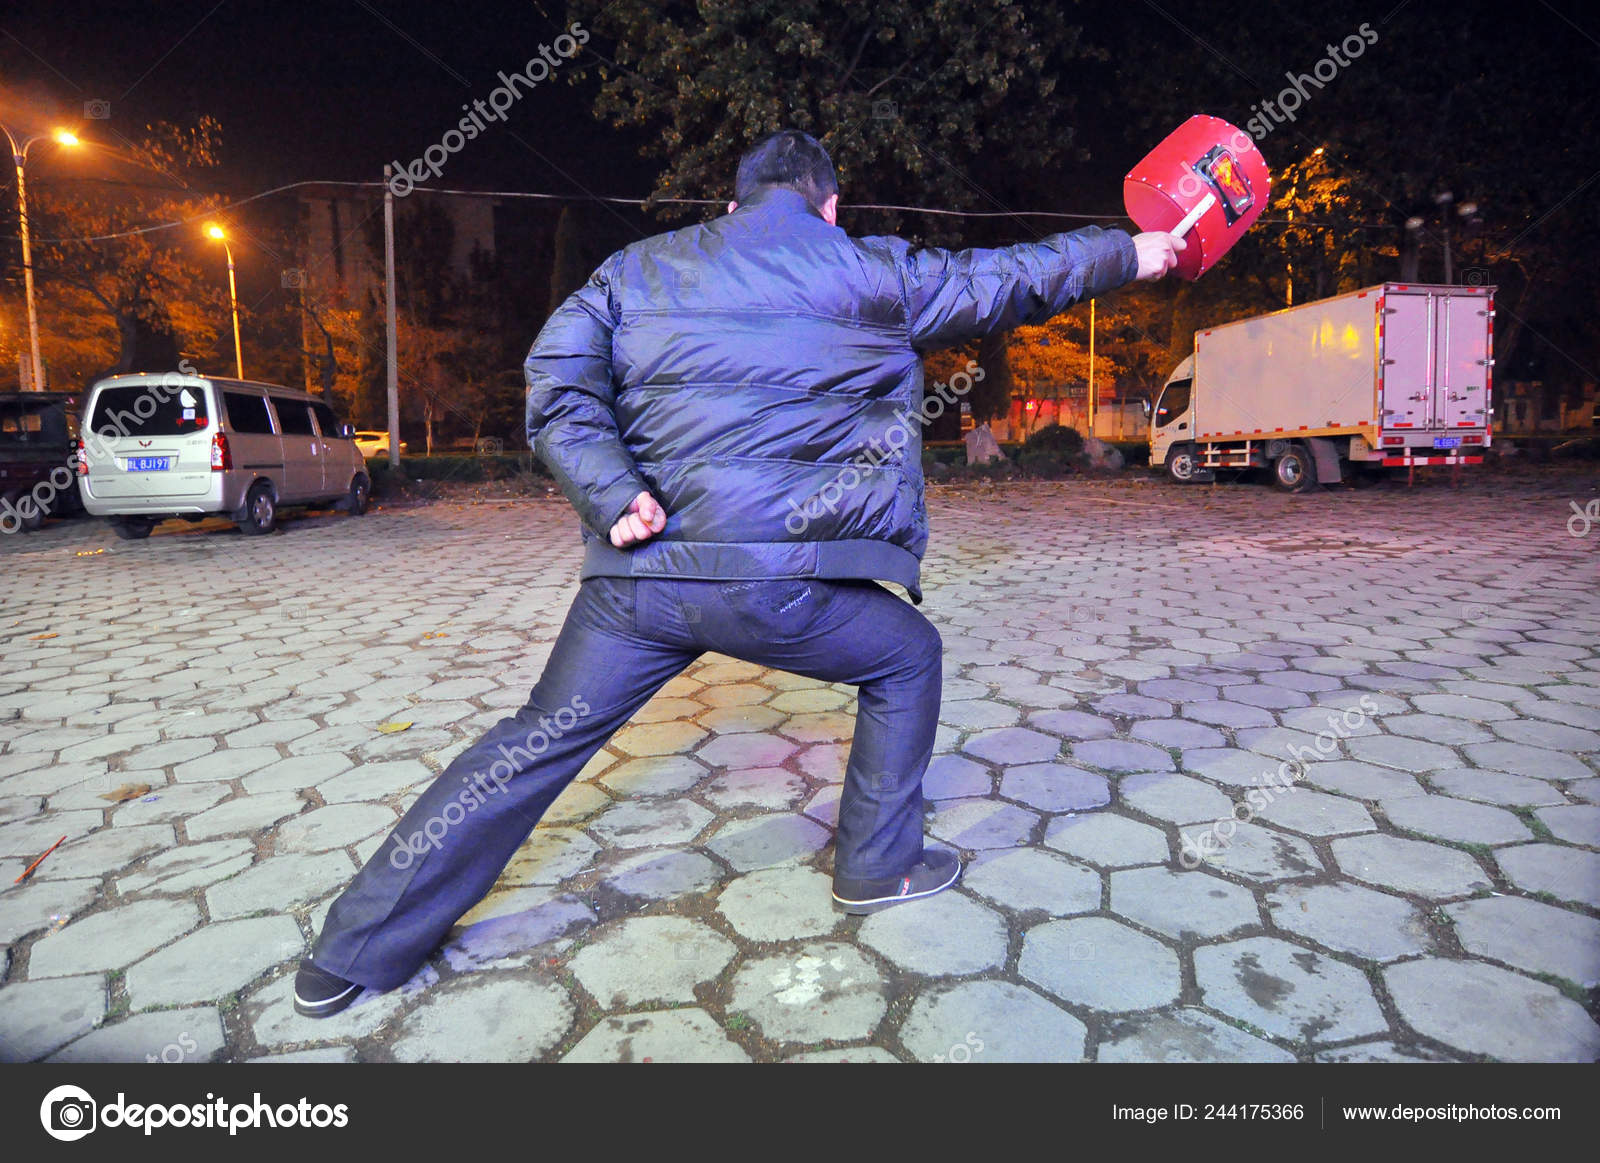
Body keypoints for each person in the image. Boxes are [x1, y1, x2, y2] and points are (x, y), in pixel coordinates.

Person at [293, 129, 1183, 1017]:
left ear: (732, 204)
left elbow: (557, 383)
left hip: (640, 582)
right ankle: (879, 866)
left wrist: (613, 491)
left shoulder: (633, 270)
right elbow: (1011, 278)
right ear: (829, 205)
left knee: (534, 739)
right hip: (780, 582)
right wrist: (1134, 253)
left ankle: (351, 951)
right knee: (907, 654)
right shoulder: (874, 270)